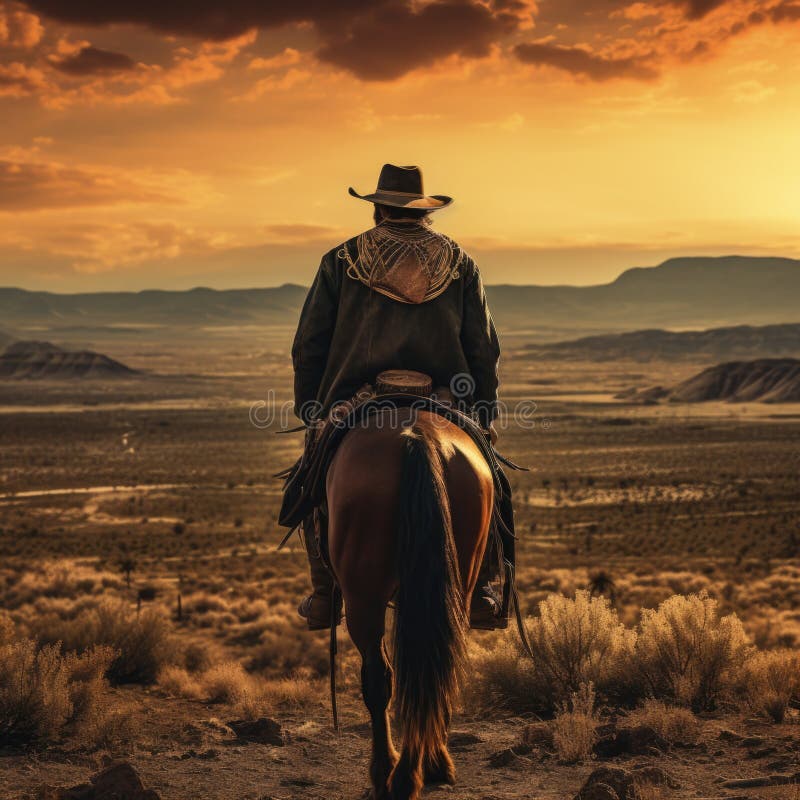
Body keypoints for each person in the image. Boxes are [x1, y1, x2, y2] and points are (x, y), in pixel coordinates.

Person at [290, 163, 513, 630]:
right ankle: (485, 588)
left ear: (378, 208)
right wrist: (484, 412)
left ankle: (325, 592)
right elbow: (484, 348)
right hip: (447, 398)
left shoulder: (342, 260)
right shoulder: (459, 263)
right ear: (424, 211)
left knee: (312, 474)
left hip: (356, 397)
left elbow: (309, 343)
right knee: (490, 473)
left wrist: (312, 407)